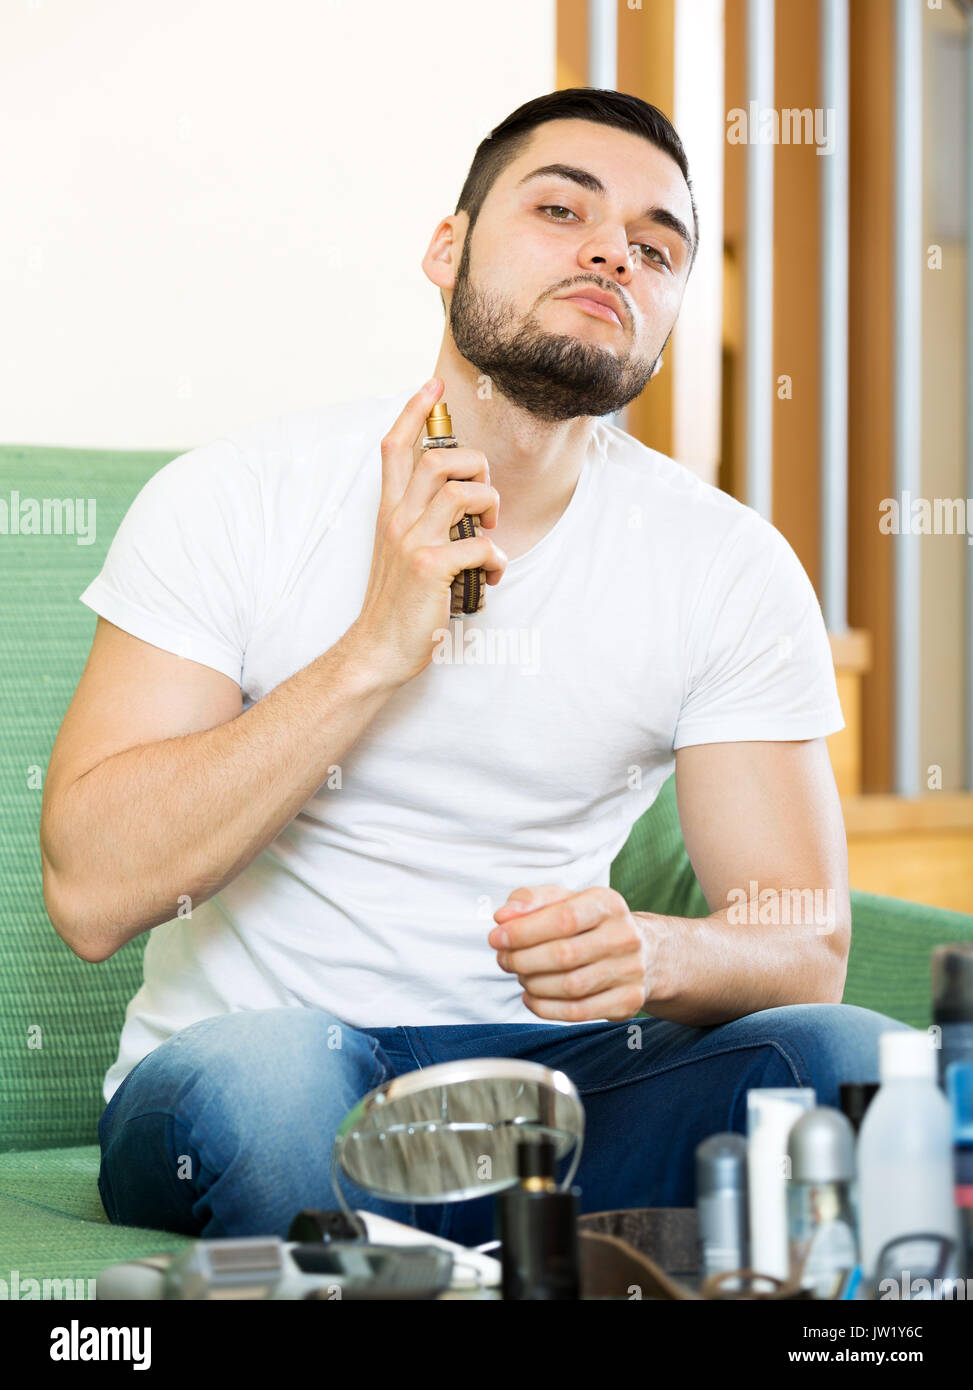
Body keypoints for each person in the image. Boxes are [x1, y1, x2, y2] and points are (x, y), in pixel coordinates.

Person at [40, 88, 908, 1251]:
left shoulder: (726, 565)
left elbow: (805, 941)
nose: (614, 250)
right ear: (445, 248)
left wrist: (661, 951)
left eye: (658, 247)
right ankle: (529, 1255)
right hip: (276, 1070)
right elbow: (93, 894)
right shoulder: (237, 498)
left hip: (559, 1091)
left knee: (845, 1060)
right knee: (265, 1082)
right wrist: (375, 651)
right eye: (563, 209)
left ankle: (441, 1258)